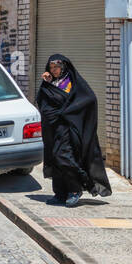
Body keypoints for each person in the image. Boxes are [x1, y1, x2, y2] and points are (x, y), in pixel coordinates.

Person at [36, 53, 111, 207]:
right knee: (55, 159)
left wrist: (69, 112)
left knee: (63, 156)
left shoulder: (73, 82)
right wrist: (47, 84)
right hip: (54, 128)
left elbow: (89, 99)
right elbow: (43, 102)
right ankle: (60, 193)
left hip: (69, 128)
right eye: (51, 67)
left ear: (63, 66)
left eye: (57, 66)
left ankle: (76, 189)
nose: (54, 70)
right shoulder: (50, 83)